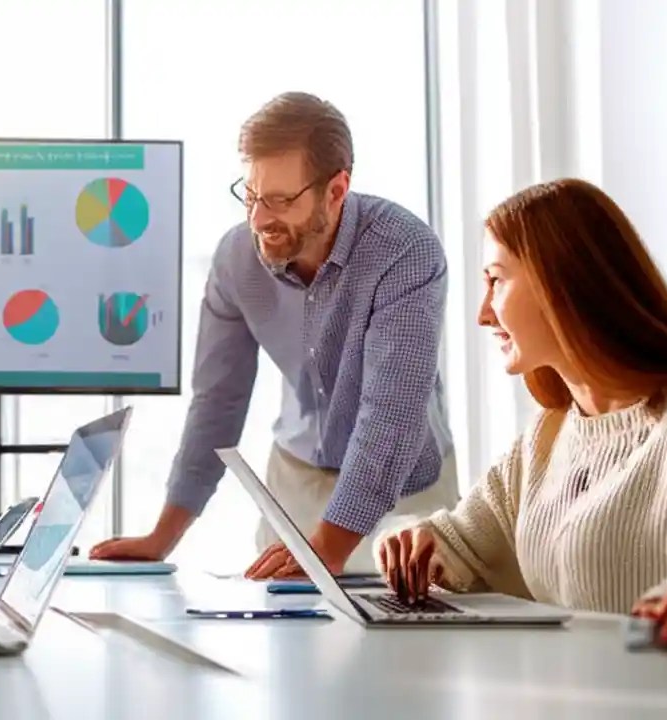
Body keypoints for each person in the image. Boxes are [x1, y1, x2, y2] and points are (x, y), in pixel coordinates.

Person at [376, 178, 667, 653]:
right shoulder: (552, 433)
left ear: (561, 281)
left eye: (495, 280)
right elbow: (460, 542)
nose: (483, 314)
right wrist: (410, 542)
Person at [90, 91, 458, 577]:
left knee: (407, 642)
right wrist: (163, 537)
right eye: (251, 196)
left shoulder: (404, 251)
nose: (260, 219)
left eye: (281, 200)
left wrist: (328, 544)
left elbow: (390, 415)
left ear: (336, 190)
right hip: (296, 479)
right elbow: (217, 402)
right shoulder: (236, 260)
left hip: (405, 492)